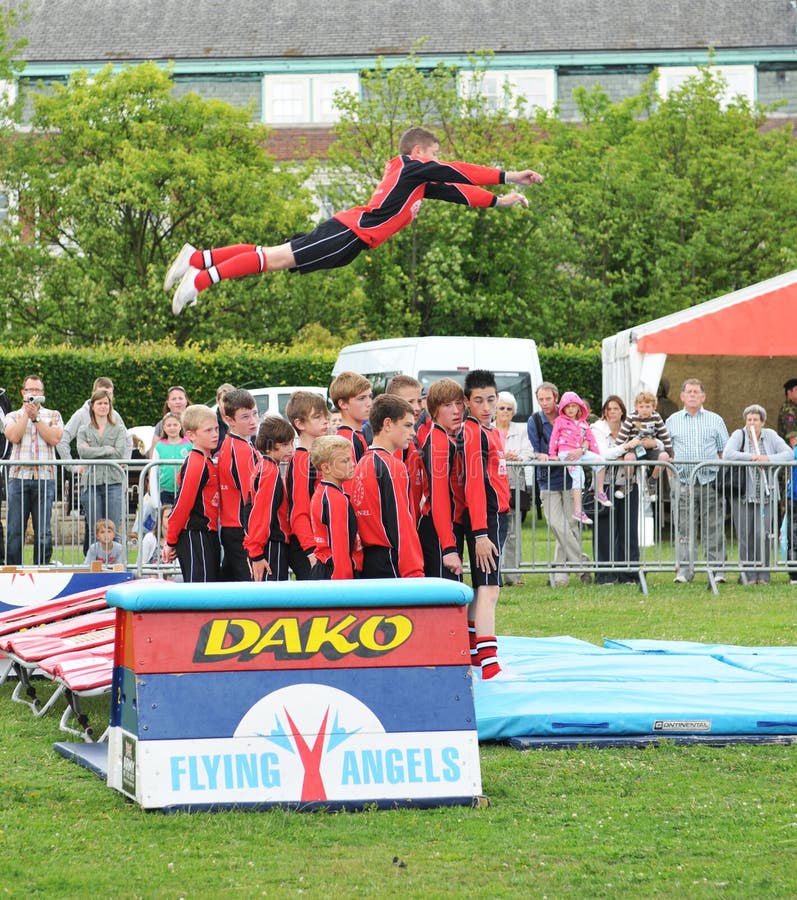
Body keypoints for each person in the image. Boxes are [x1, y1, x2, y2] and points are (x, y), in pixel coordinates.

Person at [165, 125, 543, 314]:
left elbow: (458, 192)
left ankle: (197, 259)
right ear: (418, 151)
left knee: (273, 253)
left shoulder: (420, 182)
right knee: (276, 259)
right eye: (434, 153)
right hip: (349, 232)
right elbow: (458, 171)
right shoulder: (413, 166)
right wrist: (509, 174)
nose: (437, 159)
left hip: (351, 239)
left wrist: (498, 202)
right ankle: (201, 278)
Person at [459, 370, 510, 680]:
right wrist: (479, 532)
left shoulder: (489, 430)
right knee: (489, 590)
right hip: (486, 516)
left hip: (496, 513)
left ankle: (474, 654)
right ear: (467, 402)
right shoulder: (473, 432)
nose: (486, 406)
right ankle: (489, 665)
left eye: (491, 399)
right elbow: (474, 485)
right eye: (478, 401)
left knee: (483, 591)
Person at [350, 394, 424, 580]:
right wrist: (414, 572)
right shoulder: (392, 466)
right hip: (391, 559)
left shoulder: (362, 463)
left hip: (368, 560)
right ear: (388, 424)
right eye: (407, 425)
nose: (413, 432)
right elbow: (402, 524)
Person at [665, 378, 729, 584]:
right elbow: (668, 453)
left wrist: (721, 478)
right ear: (682, 396)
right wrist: (672, 481)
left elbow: (724, 452)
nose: (692, 395)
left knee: (714, 528)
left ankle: (717, 570)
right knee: (683, 529)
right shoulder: (672, 421)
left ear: (703, 397)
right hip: (683, 482)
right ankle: (684, 570)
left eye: (696, 392)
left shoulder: (715, 420)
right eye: (689, 392)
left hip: (710, 482)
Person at [527, 381, 588, 587]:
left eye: (547, 399)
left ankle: (561, 574)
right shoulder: (534, 421)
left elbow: (586, 437)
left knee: (570, 525)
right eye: (540, 399)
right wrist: (540, 455)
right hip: (547, 479)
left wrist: (582, 450)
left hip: (572, 480)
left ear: (556, 398)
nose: (544, 403)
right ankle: (583, 564)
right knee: (556, 524)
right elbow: (535, 450)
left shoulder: (572, 417)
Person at [723, 404, 791, 585]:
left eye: (755, 419)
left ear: (763, 422)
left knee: (764, 534)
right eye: (748, 419)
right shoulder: (740, 434)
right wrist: (751, 458)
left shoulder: (770, 435)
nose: (751, 423)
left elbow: (789, 454)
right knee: (745, 534)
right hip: (744, 494)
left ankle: (763, 574)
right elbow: (728, 454)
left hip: (766, 494)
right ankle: (747, 575)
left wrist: (767, 459)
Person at [3, 374, 64, 565]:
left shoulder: (53, 415)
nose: (33, 394)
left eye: (37, 390)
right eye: (30, 390)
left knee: (43, 531)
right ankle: (13, 571)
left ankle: (42, 569)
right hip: (18, 478)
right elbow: (13, 436)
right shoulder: (12, 415)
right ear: (23, 392)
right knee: (14, 530)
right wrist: (26, 416)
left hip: (45, 478)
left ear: (43, 394)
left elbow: (54, 438)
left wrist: (36, 418)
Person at [162, 405, 221, 582]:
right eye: (208, 430)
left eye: (216, 429)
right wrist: (171, 541)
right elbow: (181, 505)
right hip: (195, 534)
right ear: (191, 435)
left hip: (206, 534)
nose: (215, 434)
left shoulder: (206, 460)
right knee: (200, 592)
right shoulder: (196, 463)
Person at [418, 378, 466, 581]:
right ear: (434, 410)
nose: (456, 411)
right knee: (445, 600)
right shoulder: (439, 442)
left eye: (458, 403)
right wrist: (448, 547)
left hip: (447, 526)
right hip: (439, 528)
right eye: (447, 405)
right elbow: (439, 498)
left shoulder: (447, 438)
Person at [592, 395, 640, 584]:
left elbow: (644, 449)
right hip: (604, 486)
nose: (612, 412)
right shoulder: (597, 429)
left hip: (629, 485)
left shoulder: (632, 428)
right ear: (604, 412)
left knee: (628, 530)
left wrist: (622, 454)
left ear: (622, 412)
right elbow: (602, 454)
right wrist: (626, 449)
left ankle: (628, 574)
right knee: (604, 531)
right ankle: (605, 575)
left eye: (616, 408)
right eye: (609, 409)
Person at [244, 415, 295, 582]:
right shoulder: (270, 471)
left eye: (292, 443)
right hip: (271, 543)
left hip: (266, 542)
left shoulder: (264, 466)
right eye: (285, 445)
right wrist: (256, 553)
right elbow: (261, 514)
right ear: (269, 447)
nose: (291, 449)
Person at [285, 390, 330, 579]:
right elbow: (298, 513)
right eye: (317, 417)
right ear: (300, 424)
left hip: (319, 543)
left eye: (325, 416)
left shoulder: (314, 456)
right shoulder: (302, 459)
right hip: (307, 546)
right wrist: (311, 551)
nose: (325, 421)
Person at [548, 391, 612, 525]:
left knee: (601, 462)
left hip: (581, 452)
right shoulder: (560, 421)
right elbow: (554, 438)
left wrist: (596, 453)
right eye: (568, 406)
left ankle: (599, 492)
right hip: (566, 453)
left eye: (573, 406)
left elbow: (591, 439)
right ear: (563, 408)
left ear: (579, 407)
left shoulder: (583, 423)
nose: (571, 409)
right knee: (579, 476)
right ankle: (578, 511)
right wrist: (552, 455)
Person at [217, 389, 261, 581]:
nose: (253, 421)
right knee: (250, 586)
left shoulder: (235, 444)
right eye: (245, 417)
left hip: (233, 527)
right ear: (230, 420)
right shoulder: (240, 449)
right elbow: (250, 496)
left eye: (255, 414)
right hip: (241, 528)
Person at [76, 388, 129, 544]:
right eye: (99, 403)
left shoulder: (118, 428)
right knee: (95, 531)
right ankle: (96, 566)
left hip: (113, 483)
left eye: (106, 403)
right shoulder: (83, 430)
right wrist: (107, 449)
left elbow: (119, 453)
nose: (103, 406)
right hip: (91, 483)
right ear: (92, 406)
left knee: (113, 529)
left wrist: (92, 450)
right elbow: (82, 452)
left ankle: (116, 566)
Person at [493, 390, 533, 586]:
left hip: (515, 483)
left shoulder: (522, 430)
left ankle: (514, 575)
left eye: (509, 409)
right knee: (495, 531)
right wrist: (502, 457)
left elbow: (528, 453)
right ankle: (495, 574)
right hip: (493, 486)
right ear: (495, 410)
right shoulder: (488, 429)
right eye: (501, 408)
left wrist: (516, 457)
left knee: (514, 530)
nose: (505, 412)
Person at [309, 435, 362, 580]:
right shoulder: (334, 499)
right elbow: (340, 551)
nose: (352, 464)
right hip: (333, 574)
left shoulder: (325, 492)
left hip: (327, 569)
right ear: (325, 467)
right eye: (345, 461)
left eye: (351, 459)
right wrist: (342, 591)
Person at [616, 390, 673, 501]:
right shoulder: (631, 417)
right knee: (628, 458)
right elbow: (622, 435)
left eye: (647, 406)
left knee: (664, 457)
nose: (644, 409)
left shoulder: (656, 417)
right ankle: (628, 482)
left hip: (651, 449)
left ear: (654, 407)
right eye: (641, 406)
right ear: (636, 407)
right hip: (635, 449)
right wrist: (618, 452)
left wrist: (670, 452)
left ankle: (652, 481)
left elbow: (664, 434)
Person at [385, 374, 425, 522]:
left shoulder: (411, 438)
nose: (416, 407)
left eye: (419, 401)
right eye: (410, 402)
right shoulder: (391, 444)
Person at [328, 371, 372, 493]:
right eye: (361, 398)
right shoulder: (346, 440)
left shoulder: (357, 435)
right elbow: (351, 490)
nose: (369, 403)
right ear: (343, 404)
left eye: (370, 396)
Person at [150, 412, 191, 507]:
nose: (172, 428)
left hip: (184, 490)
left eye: (175, 425)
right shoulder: (159, 447)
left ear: (181, 426)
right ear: (164, 428)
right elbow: (154, 471)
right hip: (165, 491)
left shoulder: (189, 445)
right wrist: (155, 500)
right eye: (168, 425)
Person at [148, 385, 191, 456]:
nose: (178, 402)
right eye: (174, 399)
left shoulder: (194, 421)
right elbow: (153, 450)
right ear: (168, 404)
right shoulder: (161, 424)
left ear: (186, 401)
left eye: (180, 398)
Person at [139, 504, 172, 568]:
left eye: (173, 516)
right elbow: (141, 564)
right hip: (151, 576)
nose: (171, 519)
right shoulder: (149, 538)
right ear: (160, 520)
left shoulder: (181, 539)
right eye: (167, 517)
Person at [213, 382, 236, 456]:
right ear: (217, 401)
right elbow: (208, 446)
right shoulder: (211, 421)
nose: (227, 405)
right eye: (224, 401)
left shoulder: (241, 420)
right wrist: (226, 442)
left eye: (230, 401)